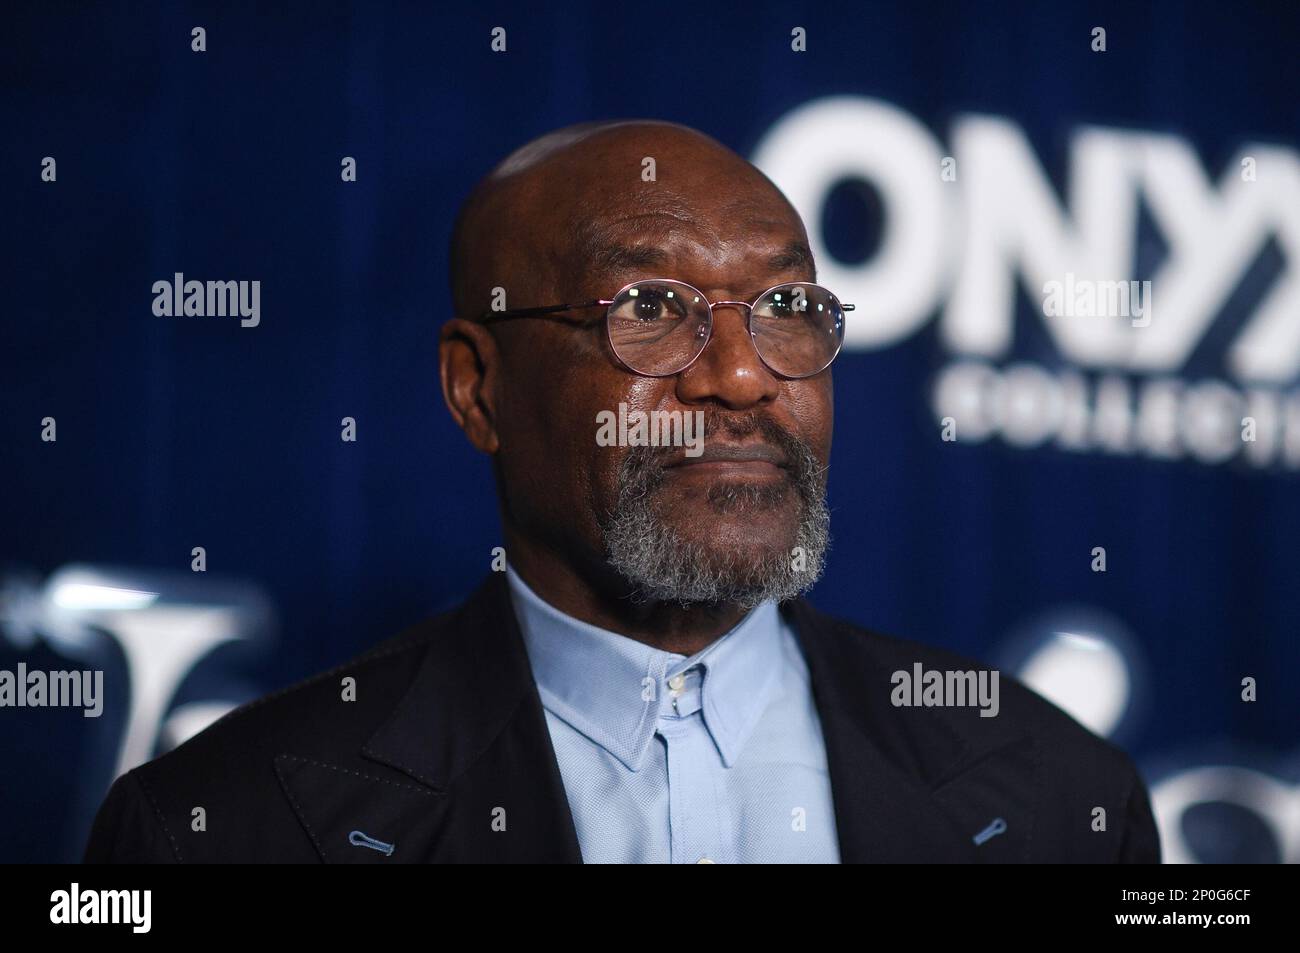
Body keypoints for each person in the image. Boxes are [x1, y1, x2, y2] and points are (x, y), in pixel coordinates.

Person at [84, 119, 1159, 863]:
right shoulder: (220, 826)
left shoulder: (1063, 798)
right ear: (476, 386)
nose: (740, 376)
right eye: (648, 306)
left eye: (786, 305)